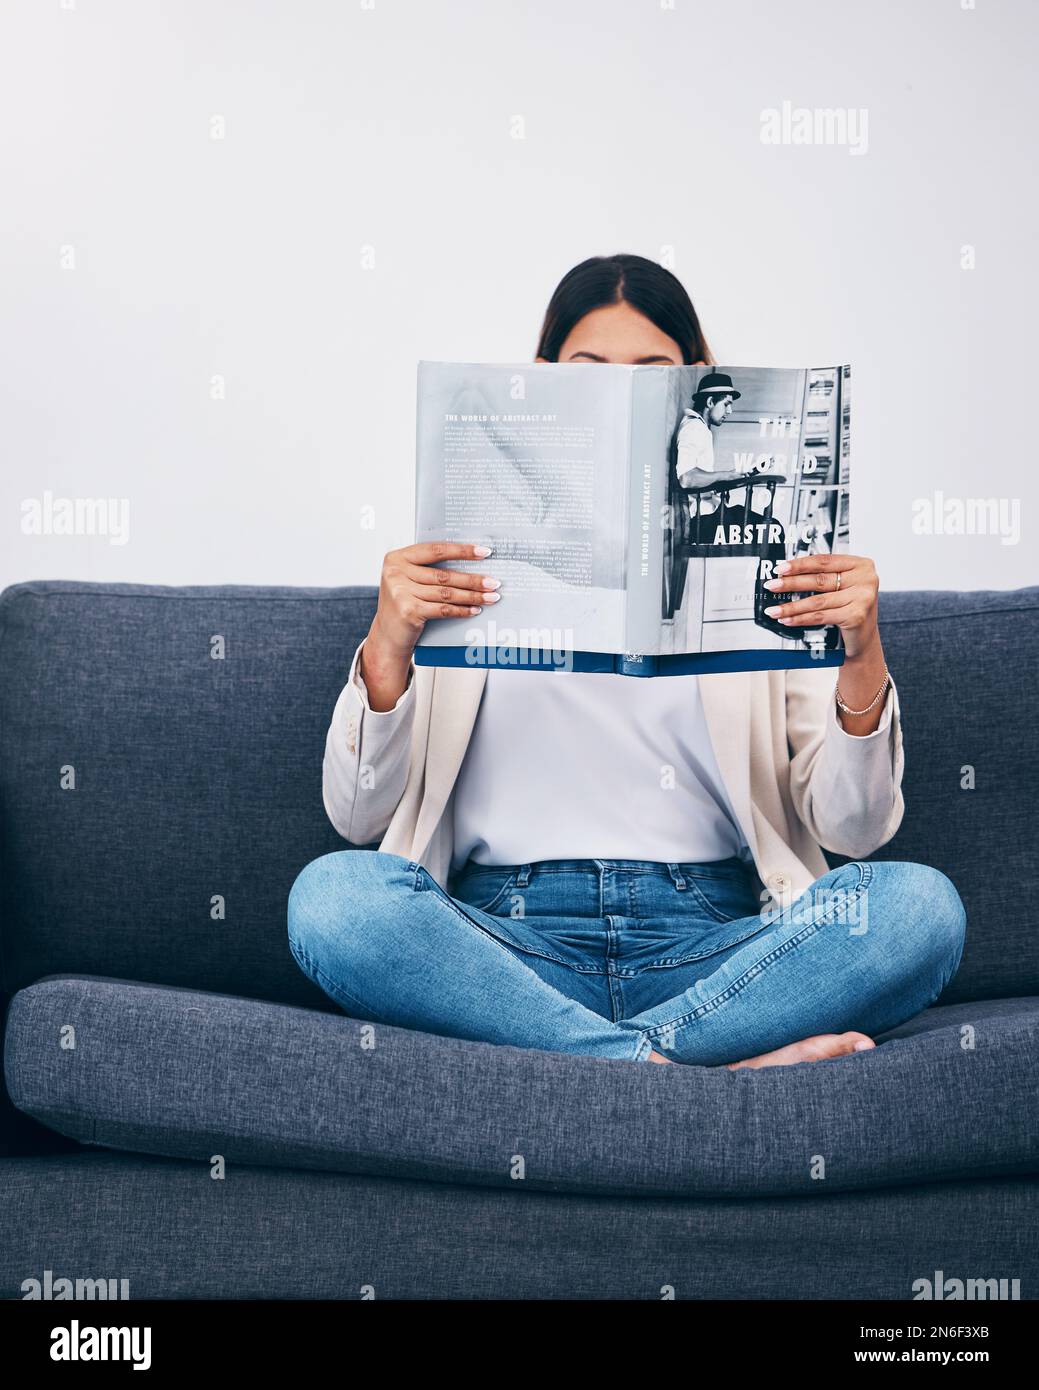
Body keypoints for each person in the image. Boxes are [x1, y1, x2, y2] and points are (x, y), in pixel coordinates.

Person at [287, 253, 966, 1069]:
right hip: (502, 952)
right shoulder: (457, 561)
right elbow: (356, 818)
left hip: (719, 949)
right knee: (333, 900)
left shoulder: (767, 575)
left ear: (695, 380)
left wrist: (861, 650)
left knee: (919, 909)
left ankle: (602, 1066)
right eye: (588, 373)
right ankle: (667, 1072)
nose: (619, 396)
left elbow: (854, 831)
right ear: (540, 382)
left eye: (651, 373)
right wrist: (388, 643)